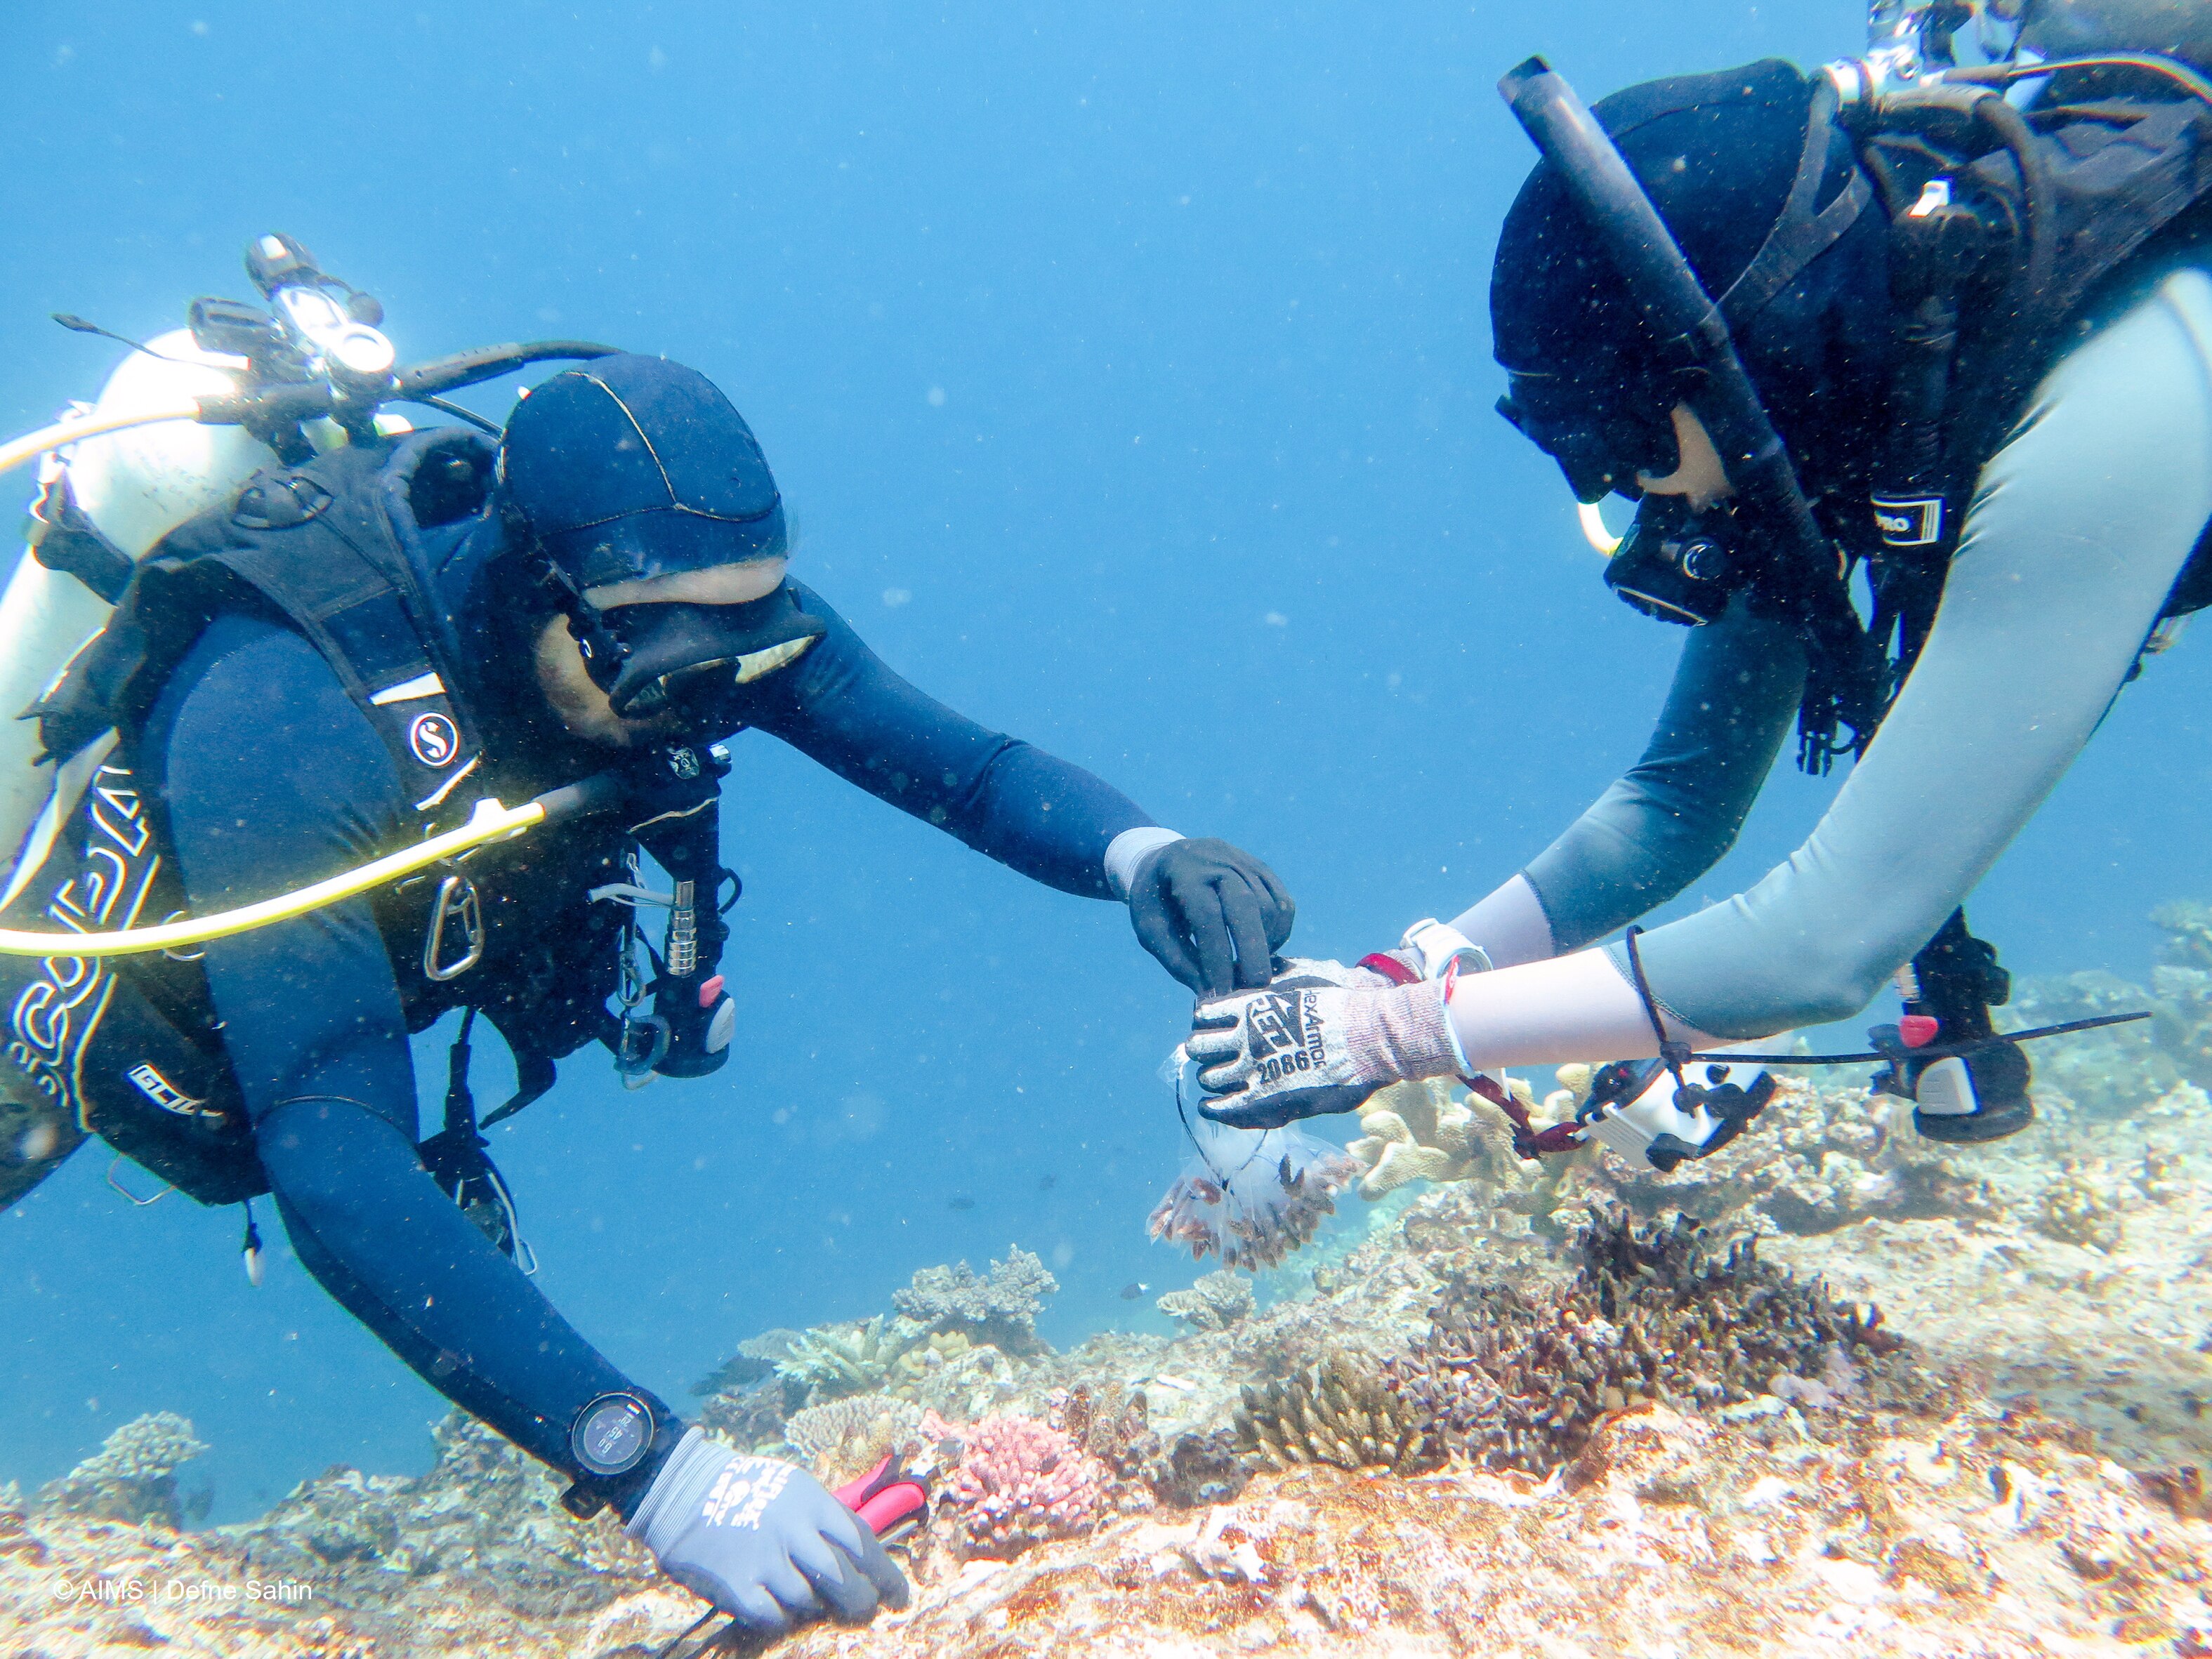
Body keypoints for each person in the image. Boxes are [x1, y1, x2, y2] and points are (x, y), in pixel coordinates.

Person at [0, 352, 1291, 1635]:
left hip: (401, 938)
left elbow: (960, 769)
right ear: (531, 583)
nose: (726, 680)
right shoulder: (283, 710)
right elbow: (334, 1153)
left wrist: (1146, 857)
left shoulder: (692, 616)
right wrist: (653, 1466)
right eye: (675, 651)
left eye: (752, 629)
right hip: (133, 1017)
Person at [1185, 34, 2212, 1155]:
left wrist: (1387, 1038)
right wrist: (1409, 969)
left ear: (1747, 347)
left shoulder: (2138, 385)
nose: (1613, 484)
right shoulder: (1818, 424)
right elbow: (1677, 804)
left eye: (1612, 432)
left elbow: (1825, 944)